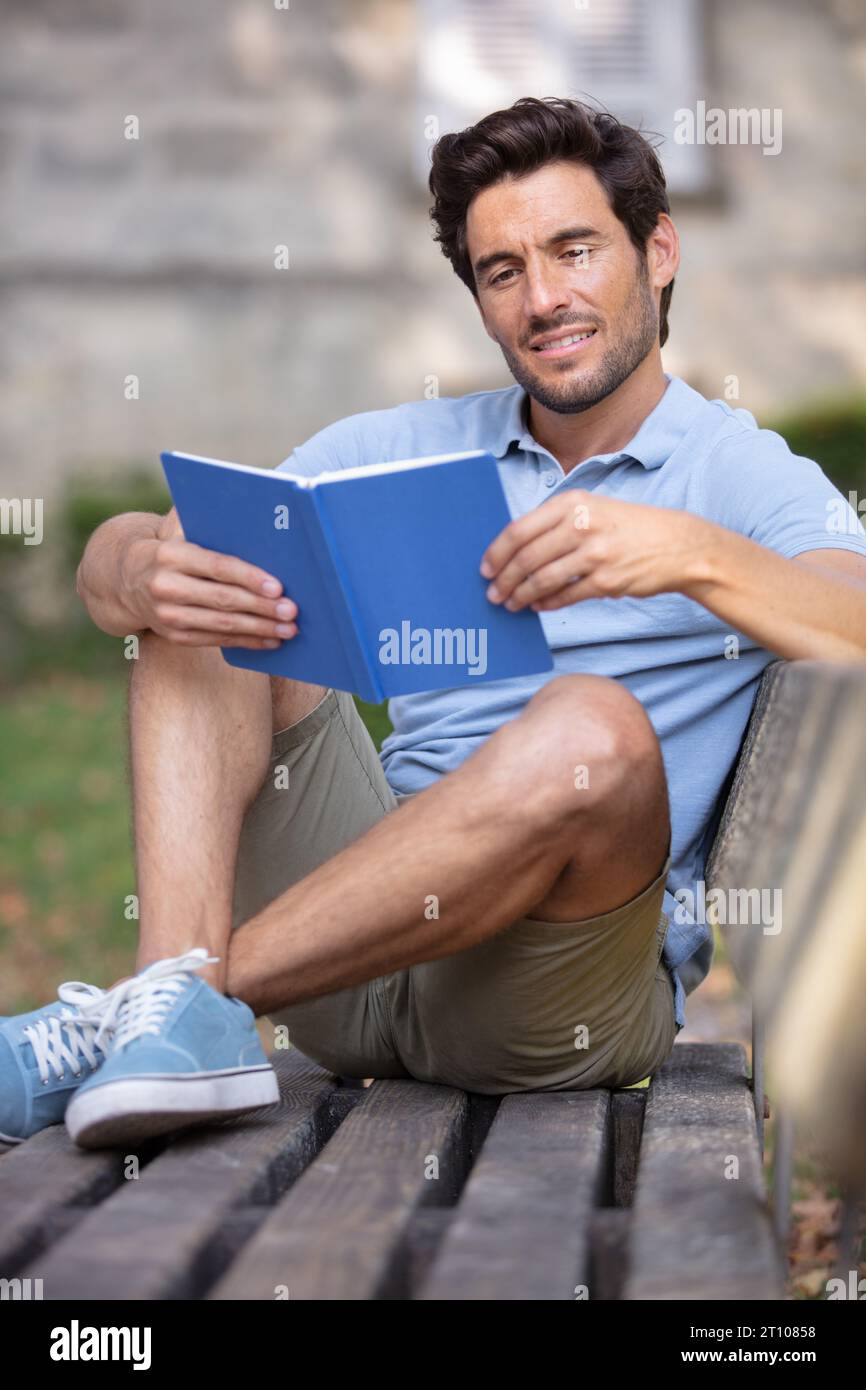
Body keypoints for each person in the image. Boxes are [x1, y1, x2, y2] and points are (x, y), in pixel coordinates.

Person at [5, 97, 866, 1151]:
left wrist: (686, 552)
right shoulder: (410, 444)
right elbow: (133, 562)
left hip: (550, 993)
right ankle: (182, 1016)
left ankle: (147, 1007)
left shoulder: (736, 471)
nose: (543, 298)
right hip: (354, 948)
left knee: (587, 725)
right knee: (208, 562)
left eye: (573, 249)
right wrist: (137, 568)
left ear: (658, 250)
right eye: (502, 271)